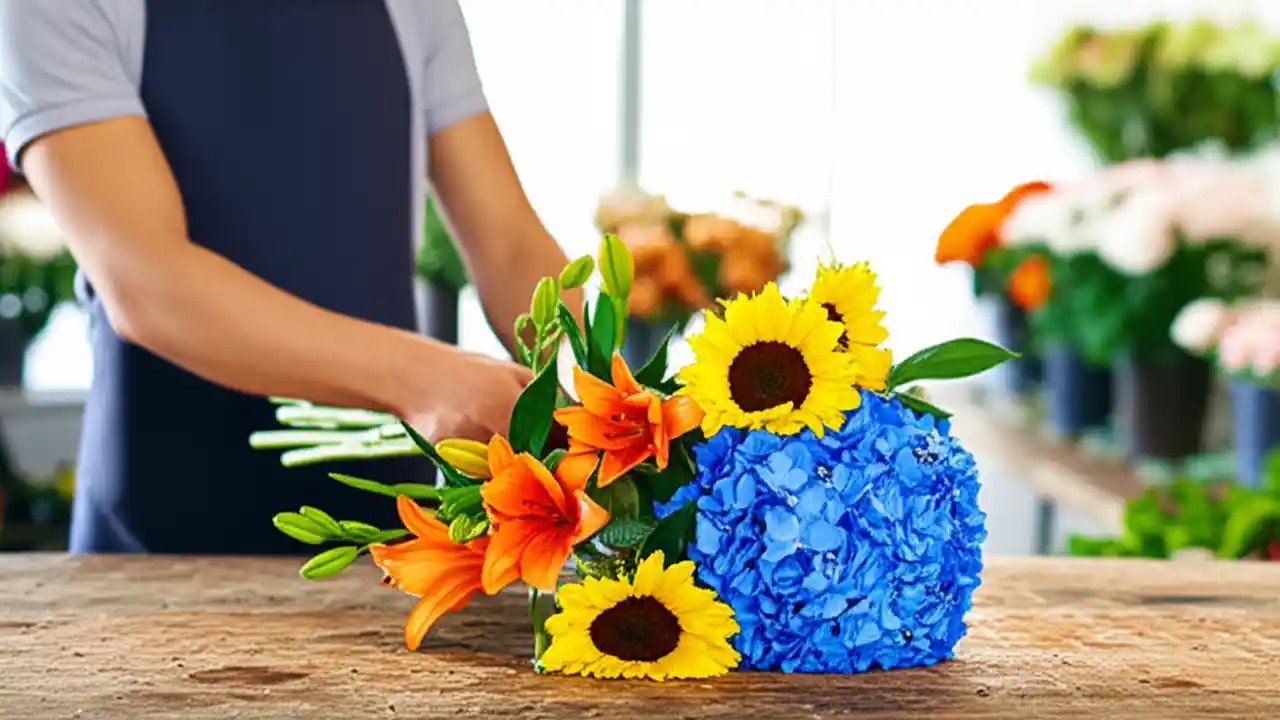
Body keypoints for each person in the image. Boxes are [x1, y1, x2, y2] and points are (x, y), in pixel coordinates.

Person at [0, 1, 577, 554]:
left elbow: (508, 243)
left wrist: (609, 395)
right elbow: (146, 279)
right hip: (158, 548)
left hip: (389, 538)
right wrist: (430, 379)